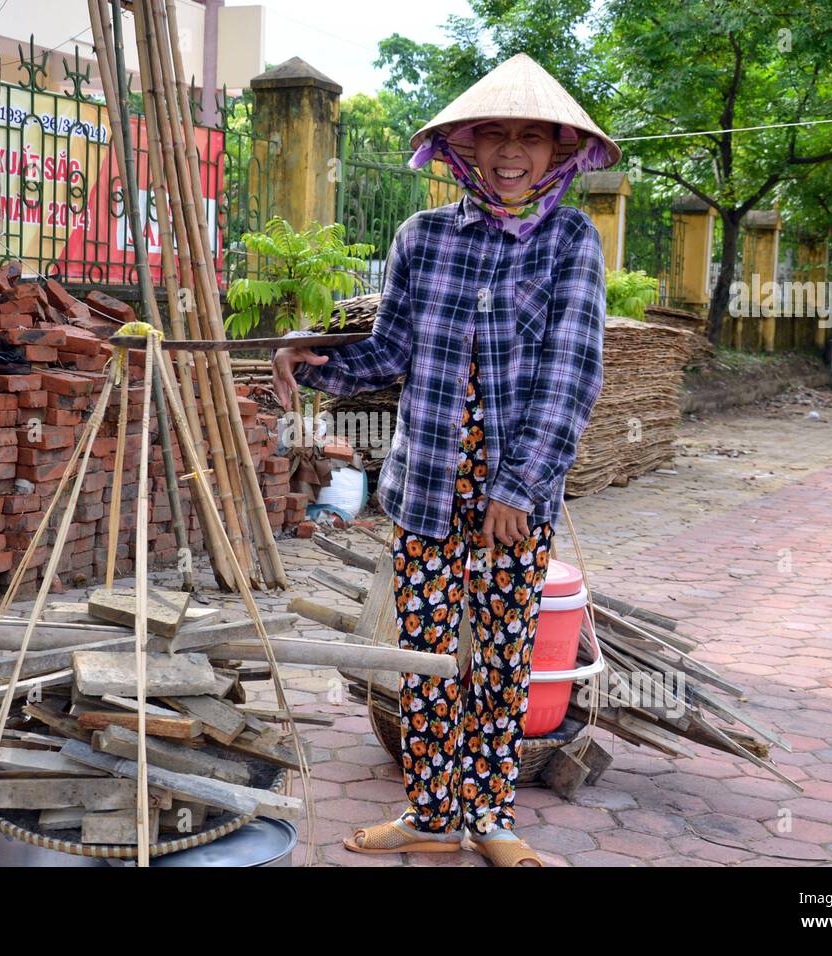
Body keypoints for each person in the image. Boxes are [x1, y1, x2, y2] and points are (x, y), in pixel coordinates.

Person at [273, 53, 617, 867]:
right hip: (425, 484)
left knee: (501, 655)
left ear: (560, 151)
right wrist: (315, 360)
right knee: (425, 656)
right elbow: (392, 349)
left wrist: (521, 488)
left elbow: (572, 376)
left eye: (531, 137)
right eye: (493, 133)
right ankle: (431, 814)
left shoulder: (571, 240)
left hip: (512, 498)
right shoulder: (422, 237)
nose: (511, 151)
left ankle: (492, 819)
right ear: (463, 145)